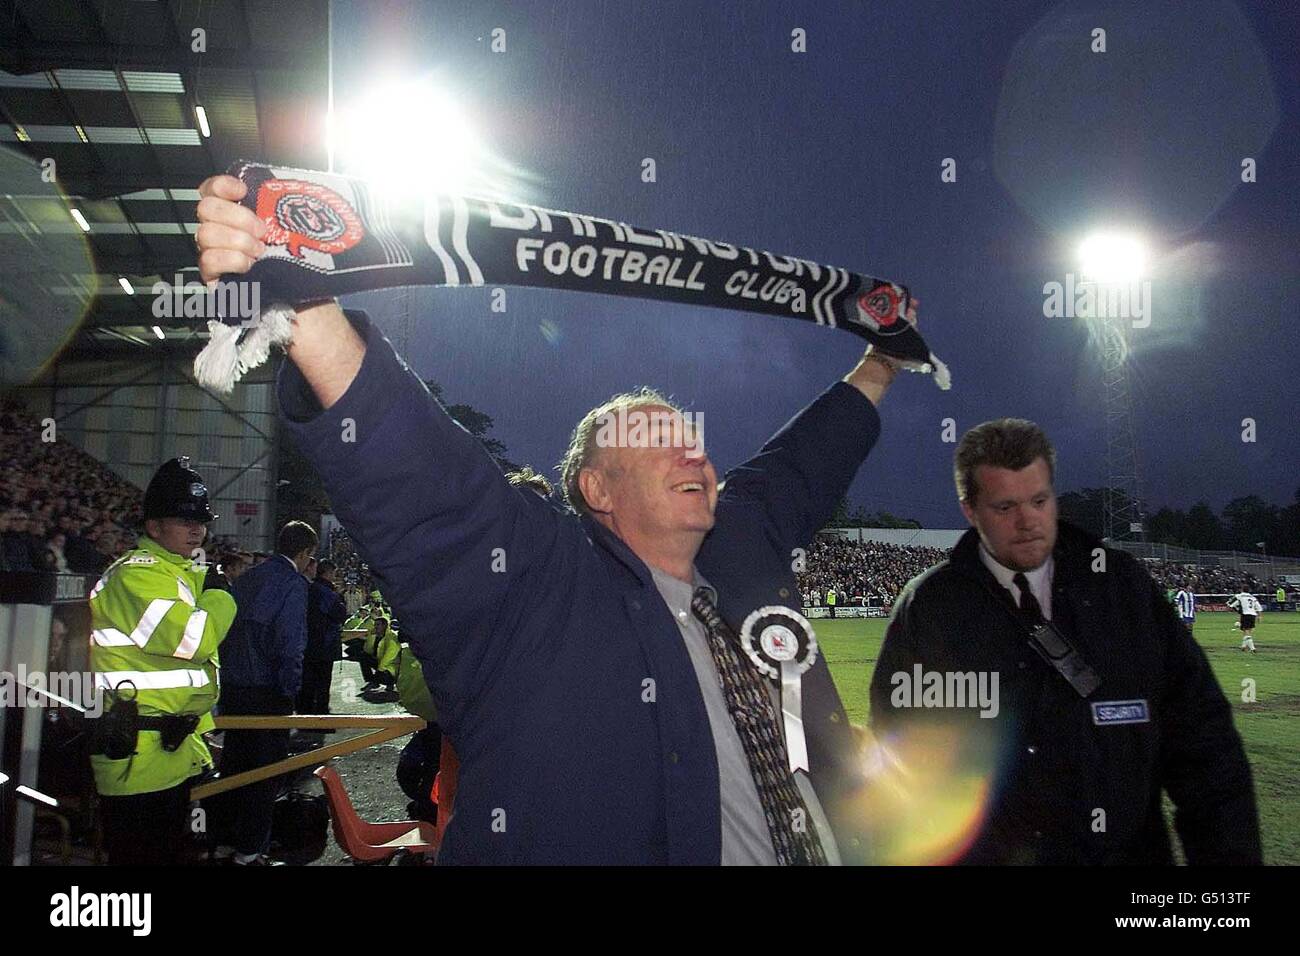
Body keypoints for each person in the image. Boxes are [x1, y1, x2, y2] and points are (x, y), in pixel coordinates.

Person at [196, 170, 909, 864]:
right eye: (659, 441)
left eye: (695, 440)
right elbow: (420, 473)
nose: (692, 453)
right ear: (596, 489)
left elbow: (812, 454)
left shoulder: (740, 538)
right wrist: (299, 285)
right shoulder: (535, 585)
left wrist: (882, 357)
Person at [870, 418, 1261, 864]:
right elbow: (898, 760)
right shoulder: (931, 606)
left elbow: (1207, 753)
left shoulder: (1123, 589)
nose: (1028, 521)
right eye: (1005, 507)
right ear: (969, 511)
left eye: (1039, 500)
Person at [88, 457, 236, 865]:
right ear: (153, 527)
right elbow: (195, 641)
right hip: (138, 759)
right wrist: (220, 596)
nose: (197, 530)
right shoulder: (137, 575)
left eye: (202, 521)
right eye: (183, 520)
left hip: (169, 751)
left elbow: (182, 677)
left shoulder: (178, 575)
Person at [215, 519, 317, 865]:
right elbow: (291, 645)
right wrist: (290, 692)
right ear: (304, 553)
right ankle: (251, 849)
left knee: (233, 766)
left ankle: (223, 840)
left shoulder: (247, 578)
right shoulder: (292, 585)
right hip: (267, 692)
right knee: (264, 774)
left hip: (233, 688)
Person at [299, 558, 348, 718]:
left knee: (308, 682)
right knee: (322, 684)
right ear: (328, 573)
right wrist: (339, 597)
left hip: (307, 643)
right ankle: (320, 718)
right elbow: (340, 614)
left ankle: (304, 715)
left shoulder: (308, 589)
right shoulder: (326, 593)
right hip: (324, 644)